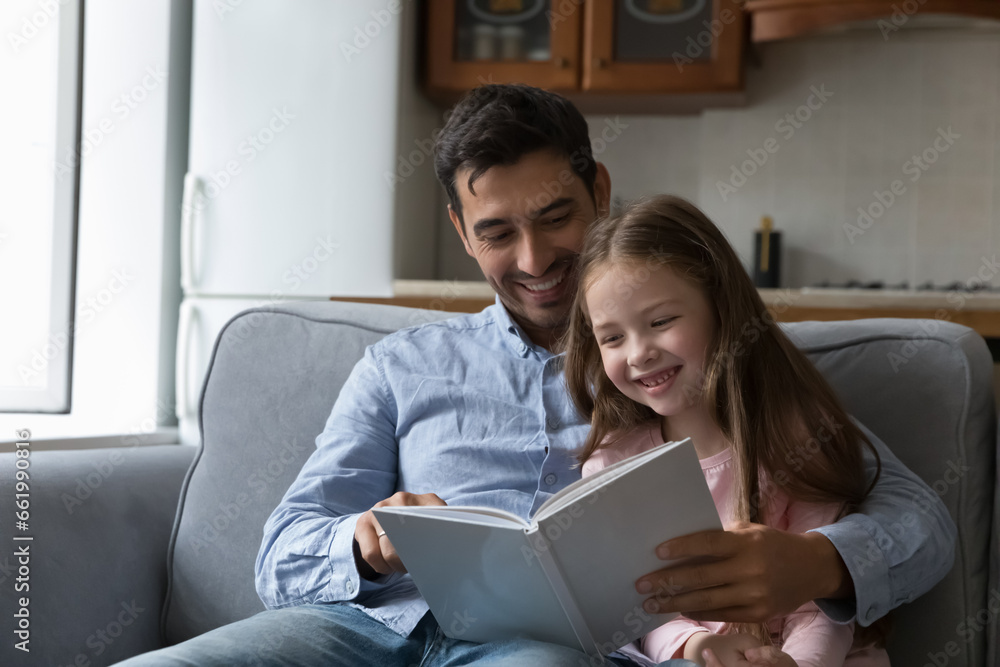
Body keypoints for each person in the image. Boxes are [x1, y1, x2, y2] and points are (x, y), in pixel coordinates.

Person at [117, 84, 954, 666]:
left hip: (544, 649)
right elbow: (279, 555)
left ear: (599, 188)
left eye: (557, 215)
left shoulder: (692, 364)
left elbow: (919, 516)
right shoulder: (401, 368)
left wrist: (816, 565)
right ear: (460, 228)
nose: (534, 259)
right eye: (496, 231)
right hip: (360, 629)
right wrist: (362, 542)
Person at [564, 195, 894, 667]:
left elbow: (818, 604)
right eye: (612, 337)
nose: (637, 354)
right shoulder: (613, 463)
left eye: (661, 322)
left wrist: (797, 663)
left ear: (721, 308)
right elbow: (641, 610)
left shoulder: (796, 439)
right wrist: (695, 645)